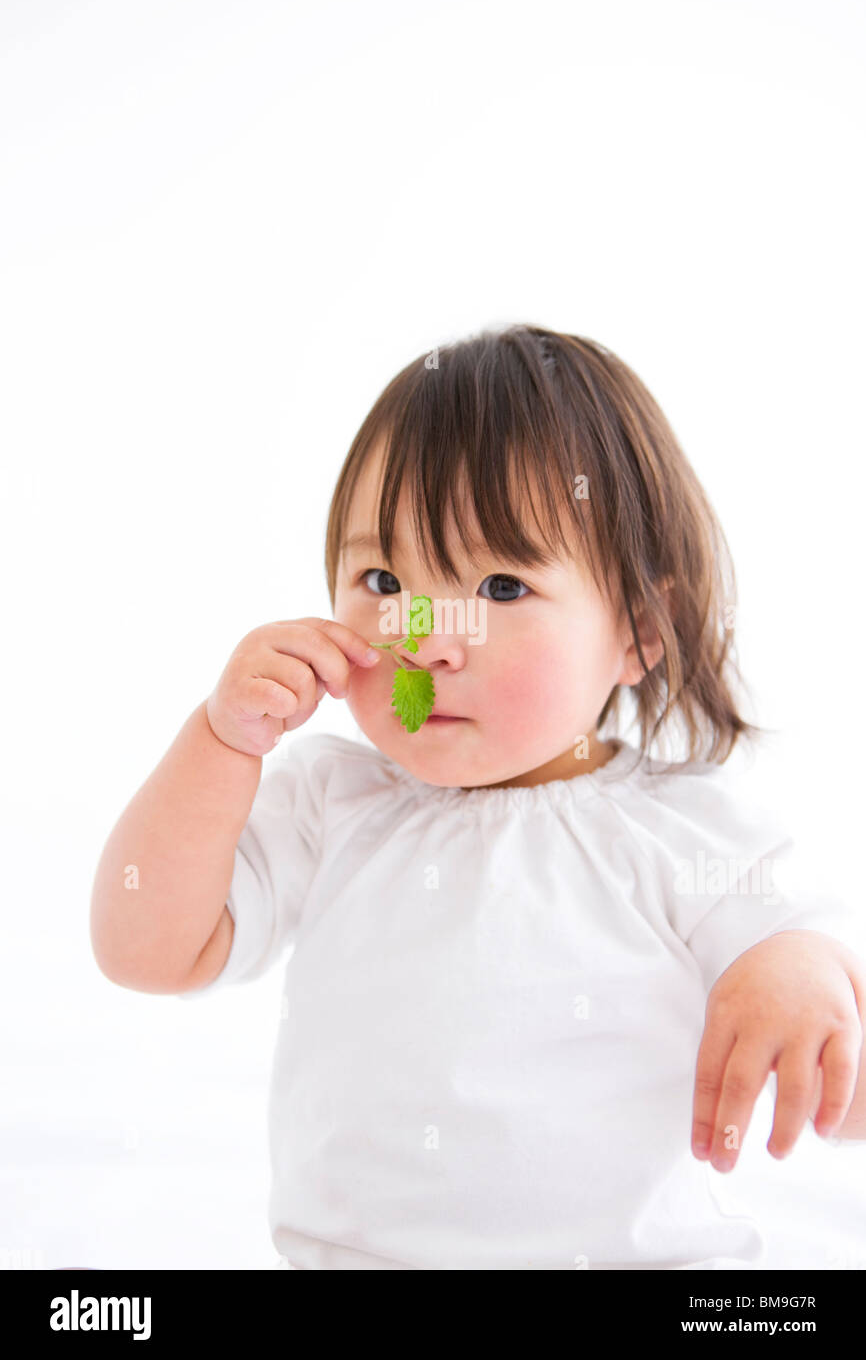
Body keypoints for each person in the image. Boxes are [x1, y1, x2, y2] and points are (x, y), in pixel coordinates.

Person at [90, 324, 866, 1270]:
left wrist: (800, 980)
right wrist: (218, 743)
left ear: (638, 632)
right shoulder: (327, 803)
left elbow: (841, 1078)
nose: (427, 638)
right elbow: (145, 950)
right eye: (384, 582)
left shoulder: (688, 831)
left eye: (500, 585)